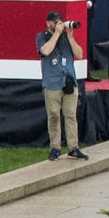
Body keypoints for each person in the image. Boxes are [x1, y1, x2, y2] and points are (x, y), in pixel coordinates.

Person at [39, 12, 86, 160]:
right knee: (53, 115)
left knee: (71, 115)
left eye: (61, 21)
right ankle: (55, 147)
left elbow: (79, 54)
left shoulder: (67, 37)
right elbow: (45, 51)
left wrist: (70, 37)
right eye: (56, 22)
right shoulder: (42, 37)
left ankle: (74, 147)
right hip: (52, 83)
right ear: (49, 23)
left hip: (69, 81)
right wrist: (56, 34)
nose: (59, 24)